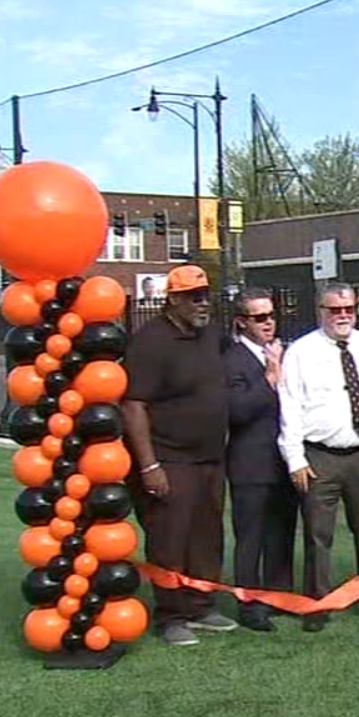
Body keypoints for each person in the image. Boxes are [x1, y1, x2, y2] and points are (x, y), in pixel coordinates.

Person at [121, 264, 236, 646]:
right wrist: (148, 465)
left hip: (210, 457)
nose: (203, 303)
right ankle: (171, 616)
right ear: (172, 300)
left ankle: (201, 606)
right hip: (169, 458)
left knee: (207, 536)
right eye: (193, 297)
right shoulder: (151, 342)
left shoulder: (211, 335)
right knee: (169, 539)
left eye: (205, 295)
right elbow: (133, 405)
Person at [277, 282, 359, 632]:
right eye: (334, 310)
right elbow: (289, 406)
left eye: (348, 309)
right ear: (320, 311)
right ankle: (317, 601)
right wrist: (295, 458)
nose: (342, 315)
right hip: (319, 456)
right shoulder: (301, 352)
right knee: (317, 533)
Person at [224, 287, 297, 632]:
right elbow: (236, 411)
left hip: (284, 461)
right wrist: (269, 379)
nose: (269, 323)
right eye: (260, 317)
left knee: (282, 533)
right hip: (250, 463)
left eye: (271, 315)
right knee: (251, 537)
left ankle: (280, 595)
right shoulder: (232, 359)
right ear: (242, 322)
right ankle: (250, 604)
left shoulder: (285, 353)